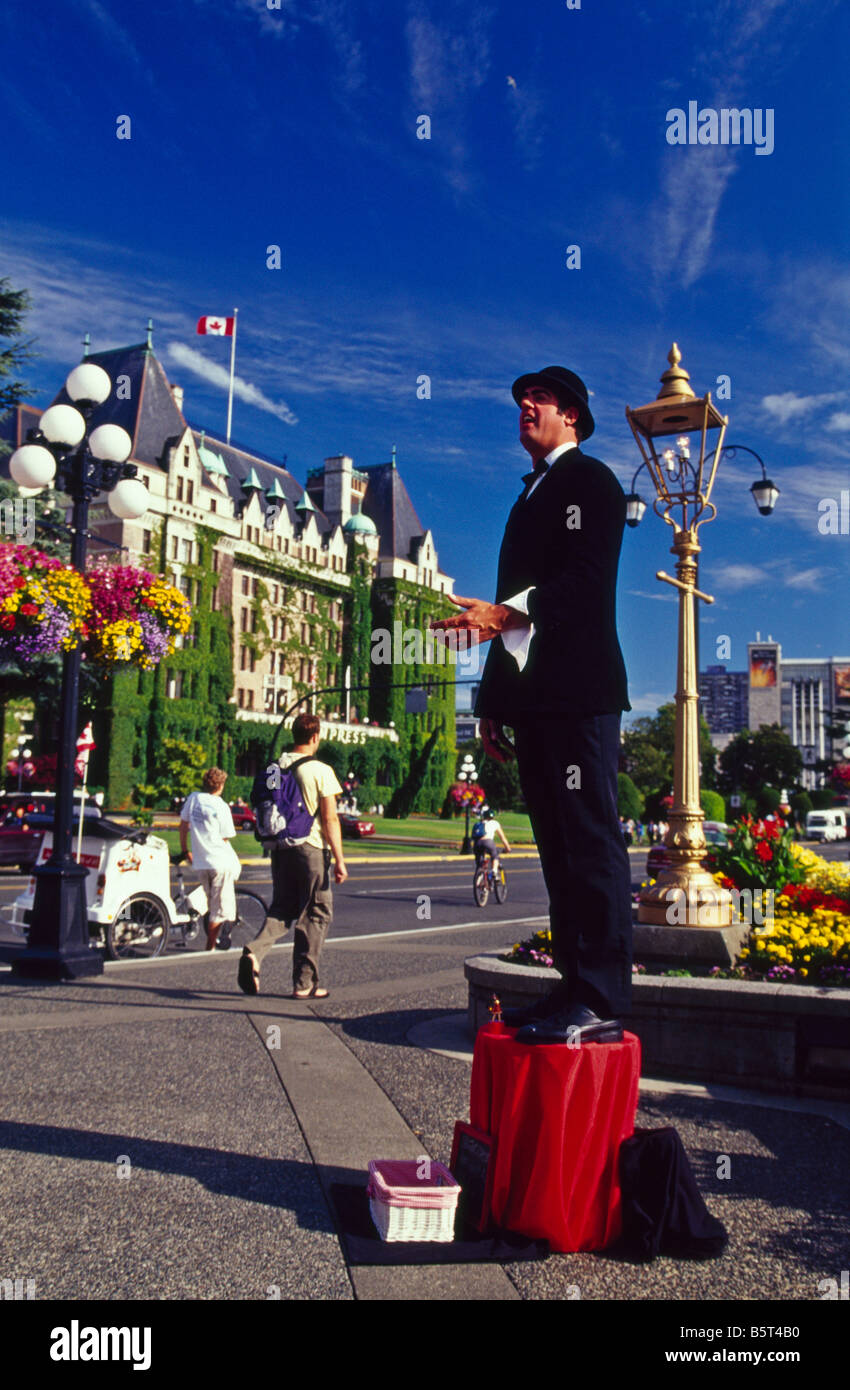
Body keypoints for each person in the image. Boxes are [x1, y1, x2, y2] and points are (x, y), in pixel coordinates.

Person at [431, 366, 632, 1045]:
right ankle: (570, 992)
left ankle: (601, 998)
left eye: (540, 398)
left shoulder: (593, 483)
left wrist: (498, 617)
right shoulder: (529, 497)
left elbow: (582, 584)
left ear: (572, 415)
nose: (525, 404)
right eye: (522, 398)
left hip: (581, 694)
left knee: (590, 845)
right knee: (556, 852)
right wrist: (494, 704)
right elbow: (505, 608)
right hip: (536, 698)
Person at [237, 712, 347, 999]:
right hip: (310, 847)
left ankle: (254, 953)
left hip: (281, 848)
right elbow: (330, 819)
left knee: (283, 908)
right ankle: (304, 983)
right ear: (314, 737)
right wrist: (340, 859)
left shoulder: (277, 765)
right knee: (316, 912)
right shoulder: (320, 770)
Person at [180, 768, 241, 951]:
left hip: (201, 861)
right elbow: (226, 836)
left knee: (211, 903)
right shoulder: (221, 806)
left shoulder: (193, 798)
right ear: (220, 786)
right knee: (219, 910)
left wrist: (185, 850)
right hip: (219, 861)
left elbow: (183, 826)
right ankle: (211, 947)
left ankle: (213, 931)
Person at [472, 804, 511, 875]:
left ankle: (477, 882)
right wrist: (508, 848)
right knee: (495, 855)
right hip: (488, 842)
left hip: (477, 843)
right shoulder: (495, 823)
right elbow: (503, 838)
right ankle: (494, 872)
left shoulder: (479, 823)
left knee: (479, 865)